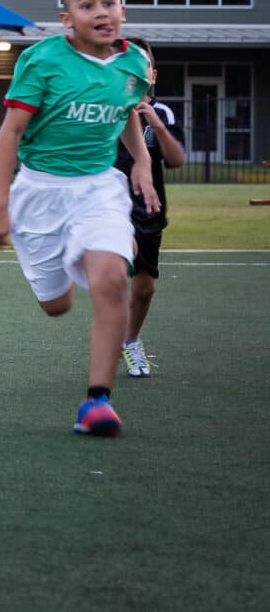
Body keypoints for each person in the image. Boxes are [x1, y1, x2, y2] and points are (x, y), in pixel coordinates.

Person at [0, 0, 157, 437]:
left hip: (99, 187)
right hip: (39, 193)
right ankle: (80, 257)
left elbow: (126, 112)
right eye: (87, 6)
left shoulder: (135, 65)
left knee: (110, 280)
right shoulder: (41, 61)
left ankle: (97, 402)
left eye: (109, 3)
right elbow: (10, 133)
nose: (101, 12)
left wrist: (140, 160)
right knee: (56, 306)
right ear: (67, 19)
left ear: (121, 11)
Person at [111, 35, 185, 379]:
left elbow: (176, 160)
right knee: (112, 274)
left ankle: (131, 341)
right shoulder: (106, 109)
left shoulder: (163, 112)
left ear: (152, 75)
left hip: (148, 209)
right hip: (109, 205)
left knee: (144, 288)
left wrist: (154, 122)